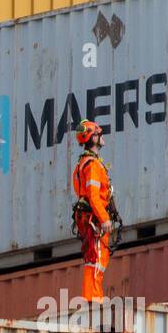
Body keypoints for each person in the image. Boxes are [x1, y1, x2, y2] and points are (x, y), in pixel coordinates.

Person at [71, 119, 119, 303]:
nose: (102, 136)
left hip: (89, 217)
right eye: (99, 134)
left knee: (94, 259)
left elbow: (79, 190)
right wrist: (105, 218)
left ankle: (92, 299)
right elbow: (93, 195)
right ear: (92, 138)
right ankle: (94, 301)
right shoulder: (92, 165)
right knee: (97, 261)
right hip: (95, 219)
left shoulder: (83, 163)